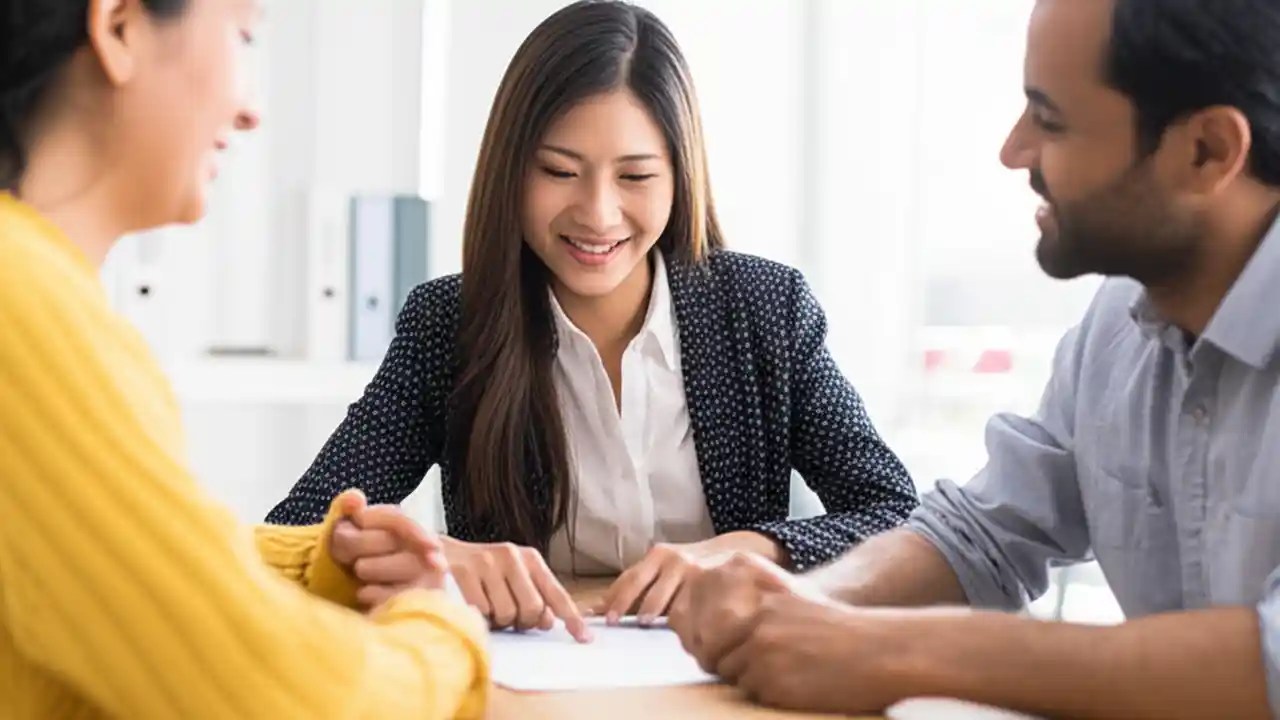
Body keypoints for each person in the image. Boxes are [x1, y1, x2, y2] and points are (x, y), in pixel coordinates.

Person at [669, 0, 1280, 718]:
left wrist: (890, 651)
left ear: (1206, 151)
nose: (1014, 150)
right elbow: (985, 531)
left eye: (1049, 120)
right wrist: (802, 604)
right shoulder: (1120, 319)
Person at [267, 0, 917, 643]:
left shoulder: (765, 311)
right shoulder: (450, 327)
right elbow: (296, 532)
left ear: (679, 177)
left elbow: (898, 518)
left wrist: (749, 550)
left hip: (721, 682)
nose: (599, 214)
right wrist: (439, 560)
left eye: (635, 175)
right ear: (511, 171)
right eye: (559, 172)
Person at [0, 1, 488, 717]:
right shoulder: (26, 309)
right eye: (243, 36)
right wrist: (443, 626)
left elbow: (93, 559)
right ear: (120, 28)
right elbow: (281, 701)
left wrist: (316, 565)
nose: (253, 109)